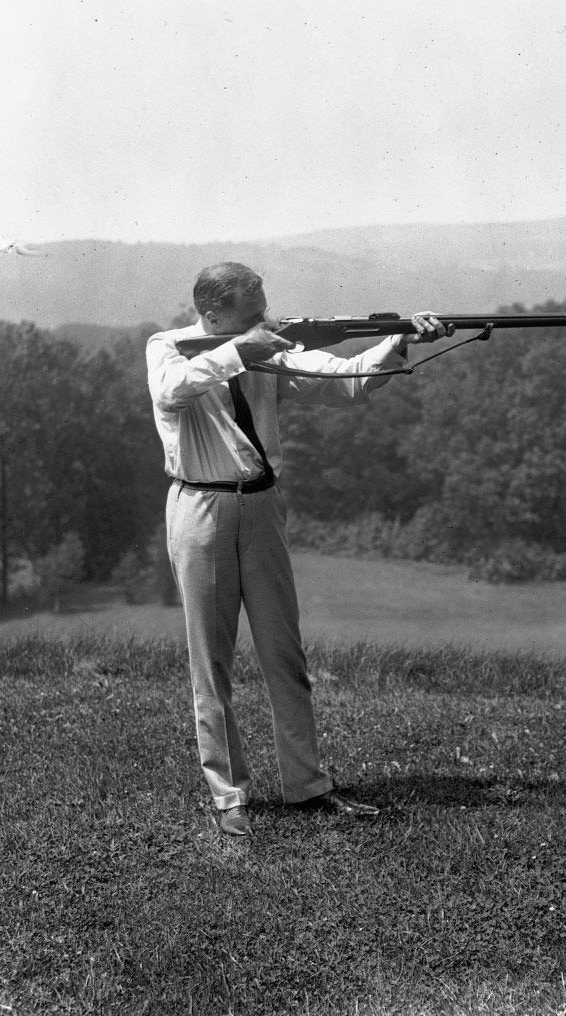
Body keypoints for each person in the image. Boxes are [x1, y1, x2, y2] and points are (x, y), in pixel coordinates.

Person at [146, 261, 447, 835]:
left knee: (285, 654)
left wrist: (400, 338)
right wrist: (242, 349)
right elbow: (172, 391)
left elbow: (346, 378)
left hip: (262, 507)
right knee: (211, 661)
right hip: (199, 508)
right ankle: (229, 798)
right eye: (252, 310)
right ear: (213, 315)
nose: (266, 316)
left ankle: (306, 788)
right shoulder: (168, 347)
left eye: (264, 306)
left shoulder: (267, 350)